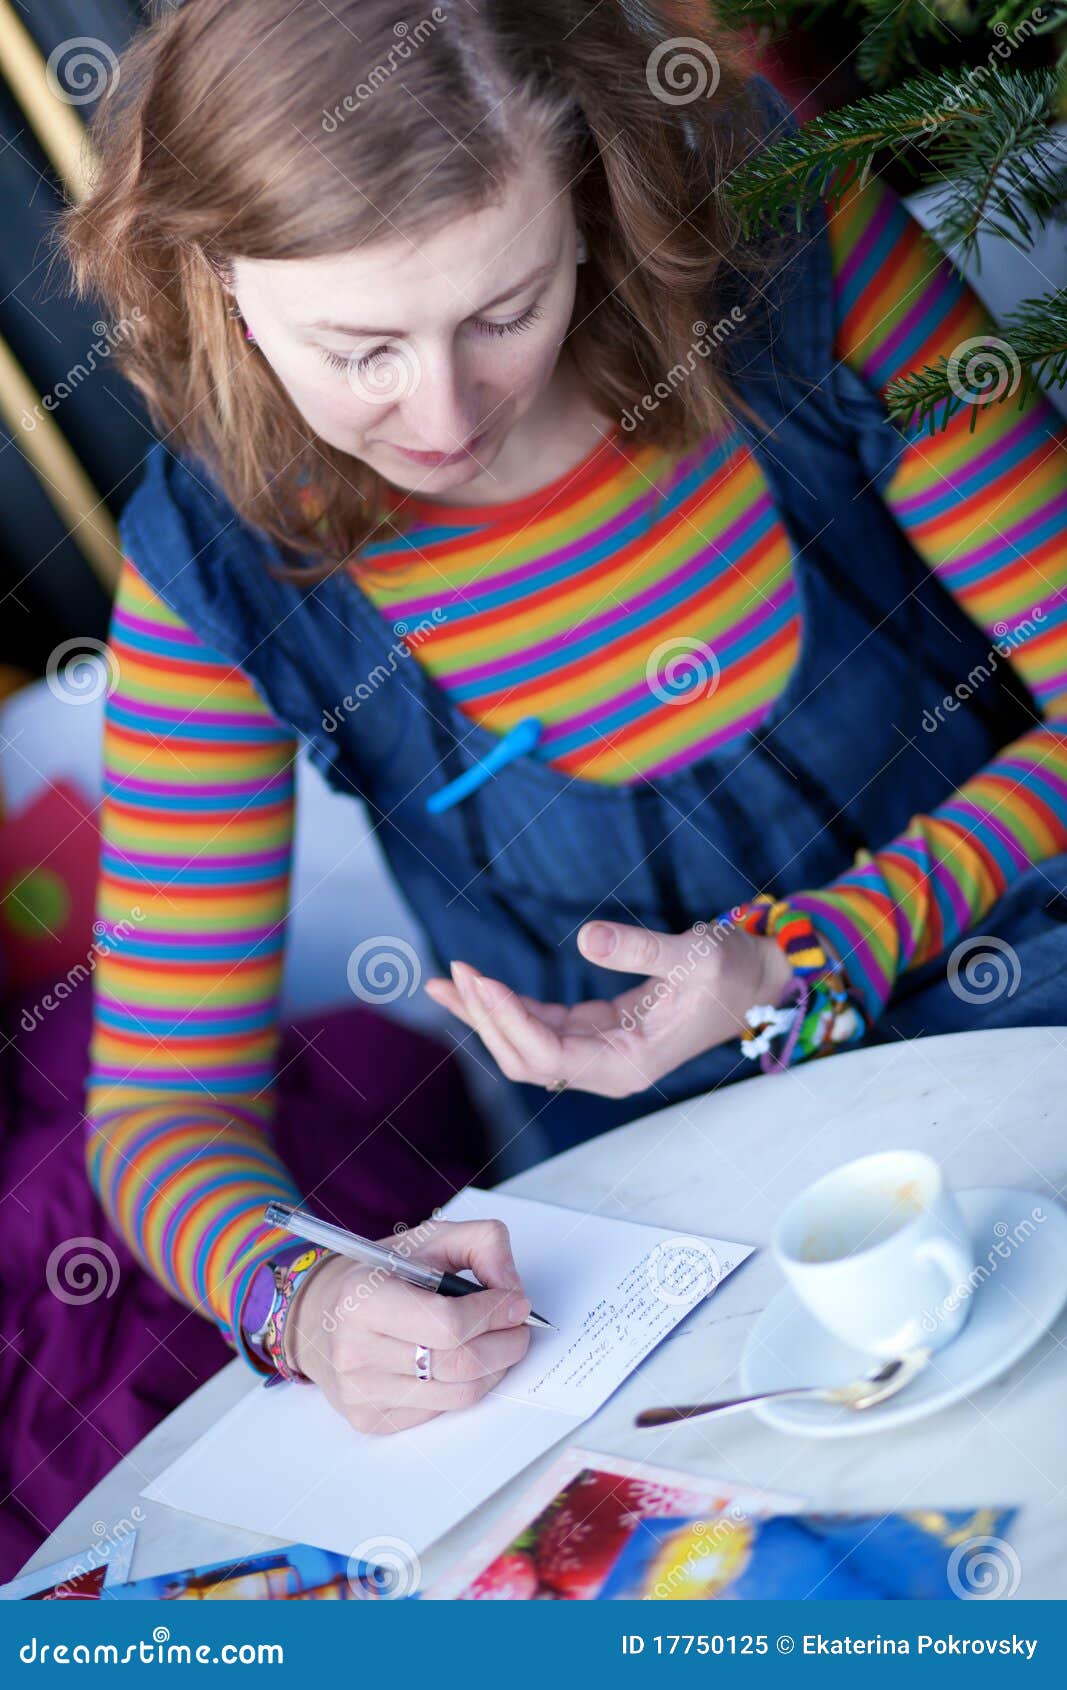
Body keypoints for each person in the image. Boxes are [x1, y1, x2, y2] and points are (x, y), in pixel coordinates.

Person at [65, 0, 1067, 1435]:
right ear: (221, 279)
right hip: (685, 1242)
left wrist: (807, 954)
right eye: (359, 347)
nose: (445, 414)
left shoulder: (794, 241)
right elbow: (161, 1108)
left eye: (505, 308)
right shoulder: (212, 556)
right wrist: (300, 1297)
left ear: (592, 188)